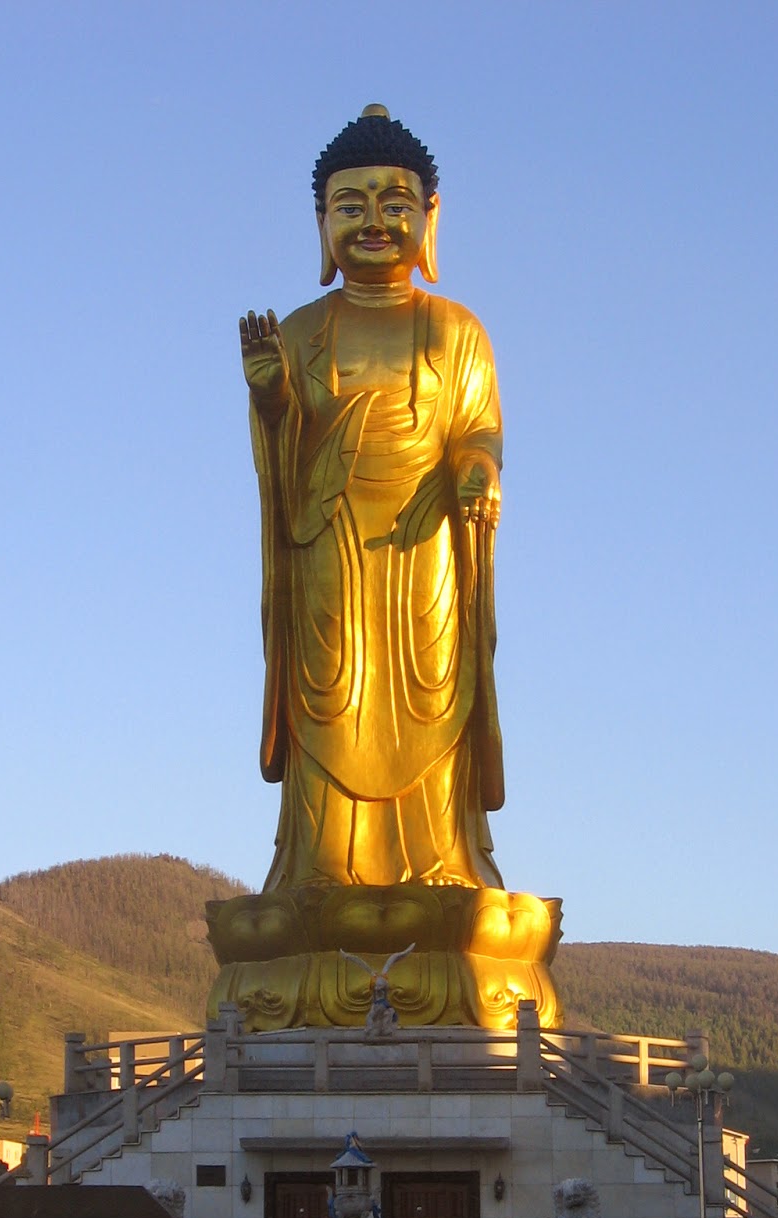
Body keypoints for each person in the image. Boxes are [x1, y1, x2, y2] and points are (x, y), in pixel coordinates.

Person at [240, 106, 505, 892]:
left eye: (395, 203)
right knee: (329, 694)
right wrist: (272, 398)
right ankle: (323, 874)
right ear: (321, 223)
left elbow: (477, 427)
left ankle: (442, 864)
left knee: (432, 692)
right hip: (329, 544)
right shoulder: (299, 331)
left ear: (430, 217)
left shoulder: (457, 331)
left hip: (427, 548)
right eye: (350, 205)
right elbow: (282, 445)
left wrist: (478, 472)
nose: (374, 222)